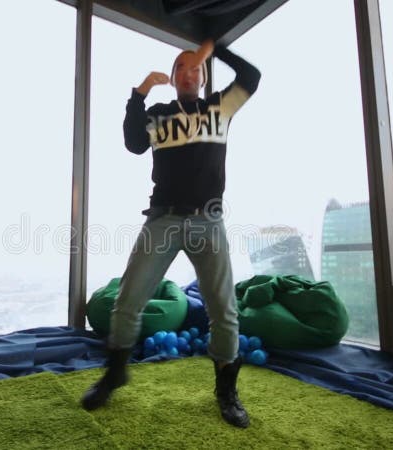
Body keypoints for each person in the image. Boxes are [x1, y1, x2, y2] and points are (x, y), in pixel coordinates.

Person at [81, 39, 260, 428]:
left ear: (203, 74)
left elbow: (252, 77)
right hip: (162, 220)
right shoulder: (160, 113)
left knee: (224, 311)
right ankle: (114, 373)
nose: (188, 72)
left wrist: (215, 50)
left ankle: (226, 390)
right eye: (181, 67)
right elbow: (132, 143)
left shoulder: (220, 107)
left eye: (195, 67)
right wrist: (140, 91)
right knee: (128, 300)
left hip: (209, 221)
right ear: (174, 77)